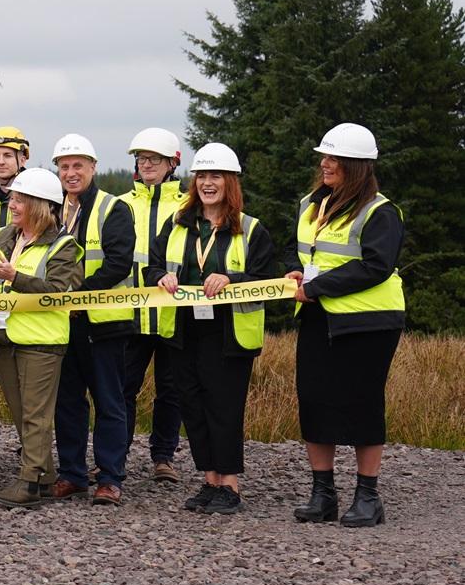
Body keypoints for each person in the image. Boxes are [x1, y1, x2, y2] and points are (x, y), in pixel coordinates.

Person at [291, 123, 406, 529]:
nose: (324, 164)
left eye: (333, 158)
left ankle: (368, 497)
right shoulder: (311, 204)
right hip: (318, 316)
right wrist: (294, 272)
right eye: (324, 157)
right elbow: (299, 249)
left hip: (368, 322)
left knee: (361, 402)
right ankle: (323, 495)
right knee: (313, 399)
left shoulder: (380, 212)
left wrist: (316, 286)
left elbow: (377, 266)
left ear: (355, 165)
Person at [156, 143, 278, 516]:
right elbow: (152, 266)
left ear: (231, 182)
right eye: (202, 176)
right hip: (183, 330)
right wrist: (161, 277)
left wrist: (231, 279)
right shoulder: (178, 224)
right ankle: (210, 481)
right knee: (192, 406)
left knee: (223, 408)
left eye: (216, 177)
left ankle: (230, 486)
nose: (208, 183)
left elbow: (266, 280)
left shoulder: (251, 229)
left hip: (228, 333)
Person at [0, 166, 85, 508]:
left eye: (20, 200)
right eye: (13, 198)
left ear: (40, 206)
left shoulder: (63, 246)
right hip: (3, 337)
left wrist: (16, 277)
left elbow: (56, 291)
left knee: (35, 416)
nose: (12, 205)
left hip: (41, 342)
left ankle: (28, 484)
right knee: (21, 412)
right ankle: (45, 478)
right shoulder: (3, 238)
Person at [47, 134, 139, 504]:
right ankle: (72, 474)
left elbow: (119, 262)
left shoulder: (112, 208)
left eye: (78, 166)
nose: (71, 173)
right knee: (67, 402)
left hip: (104, 324)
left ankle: (110, 478)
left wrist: (79, 294)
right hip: (62, 323)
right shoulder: (52, 210)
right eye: (64, 167)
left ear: (93, 168)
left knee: (109, 402)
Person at [119, 128, 190, 484]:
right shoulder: (121, 204)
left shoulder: (189, 206)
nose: (146, 165)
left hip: (173, 314)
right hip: (129, 313)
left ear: (172, 163)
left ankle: (164, 457)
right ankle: (116, 457)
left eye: (154, 159)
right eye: (141, 159)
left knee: (170, 391)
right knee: (123, 389)